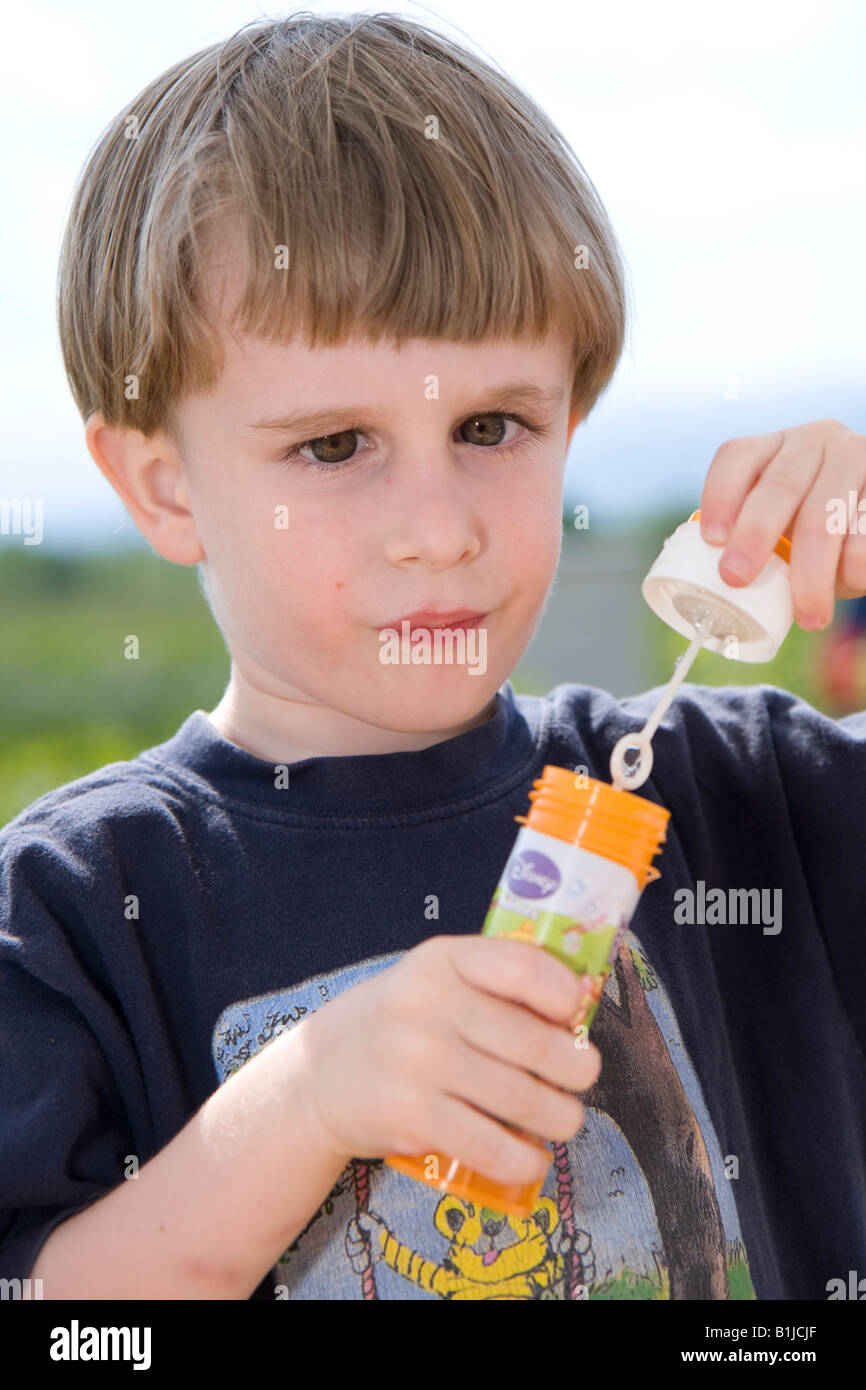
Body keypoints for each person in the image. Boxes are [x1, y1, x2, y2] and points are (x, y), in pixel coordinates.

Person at [1, 11, 864, 1303]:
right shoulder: (80, 906)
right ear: (161, 481)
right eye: (334, 446)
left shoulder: (751, 802)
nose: (440, 530)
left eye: (493, 424)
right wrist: (297, 1106)